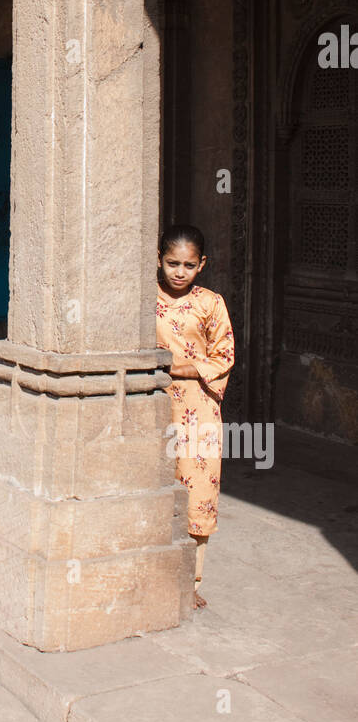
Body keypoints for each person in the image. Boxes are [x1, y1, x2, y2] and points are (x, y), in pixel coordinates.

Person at [156, 225, 235, 610]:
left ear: (201, 264)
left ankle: (191, 580)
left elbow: (224, 355)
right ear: (159, 260)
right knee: (153, 486)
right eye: (173, 263)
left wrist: (180, 369)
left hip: (199, 408)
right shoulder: (145, 300)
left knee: (198, 492)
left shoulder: (210, 303)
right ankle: (154, 573)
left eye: (189, 265)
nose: (180, 272)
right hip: (154, 406)